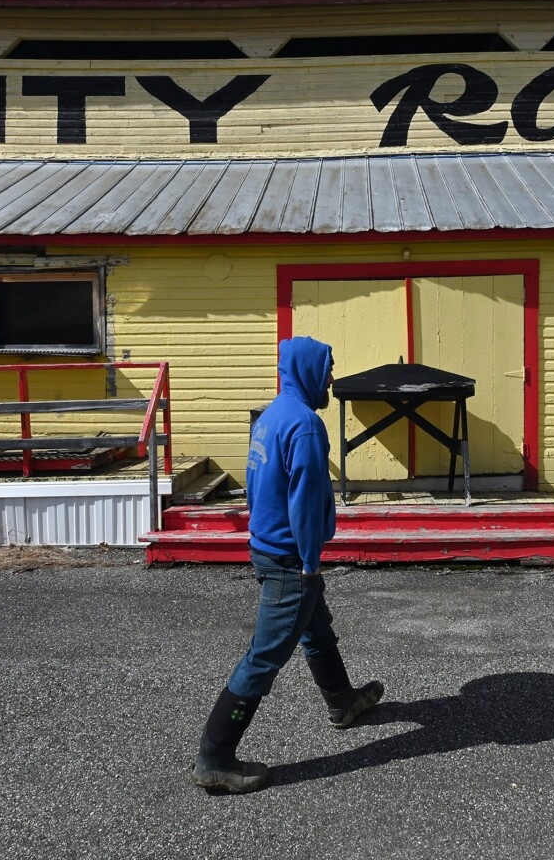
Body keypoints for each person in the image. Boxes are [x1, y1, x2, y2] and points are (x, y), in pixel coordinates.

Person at [192, 335, 384, 794]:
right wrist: (310, 561)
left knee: (316, 627)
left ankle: (342, 701)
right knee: (264, 657)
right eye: (328, 369)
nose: (331, 379)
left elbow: (256, 483)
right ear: (309, 370)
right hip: (290, 558)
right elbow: (306, 499)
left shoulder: (271, 416)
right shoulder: (305, 425)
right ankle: (214, 758)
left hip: (268, 546)